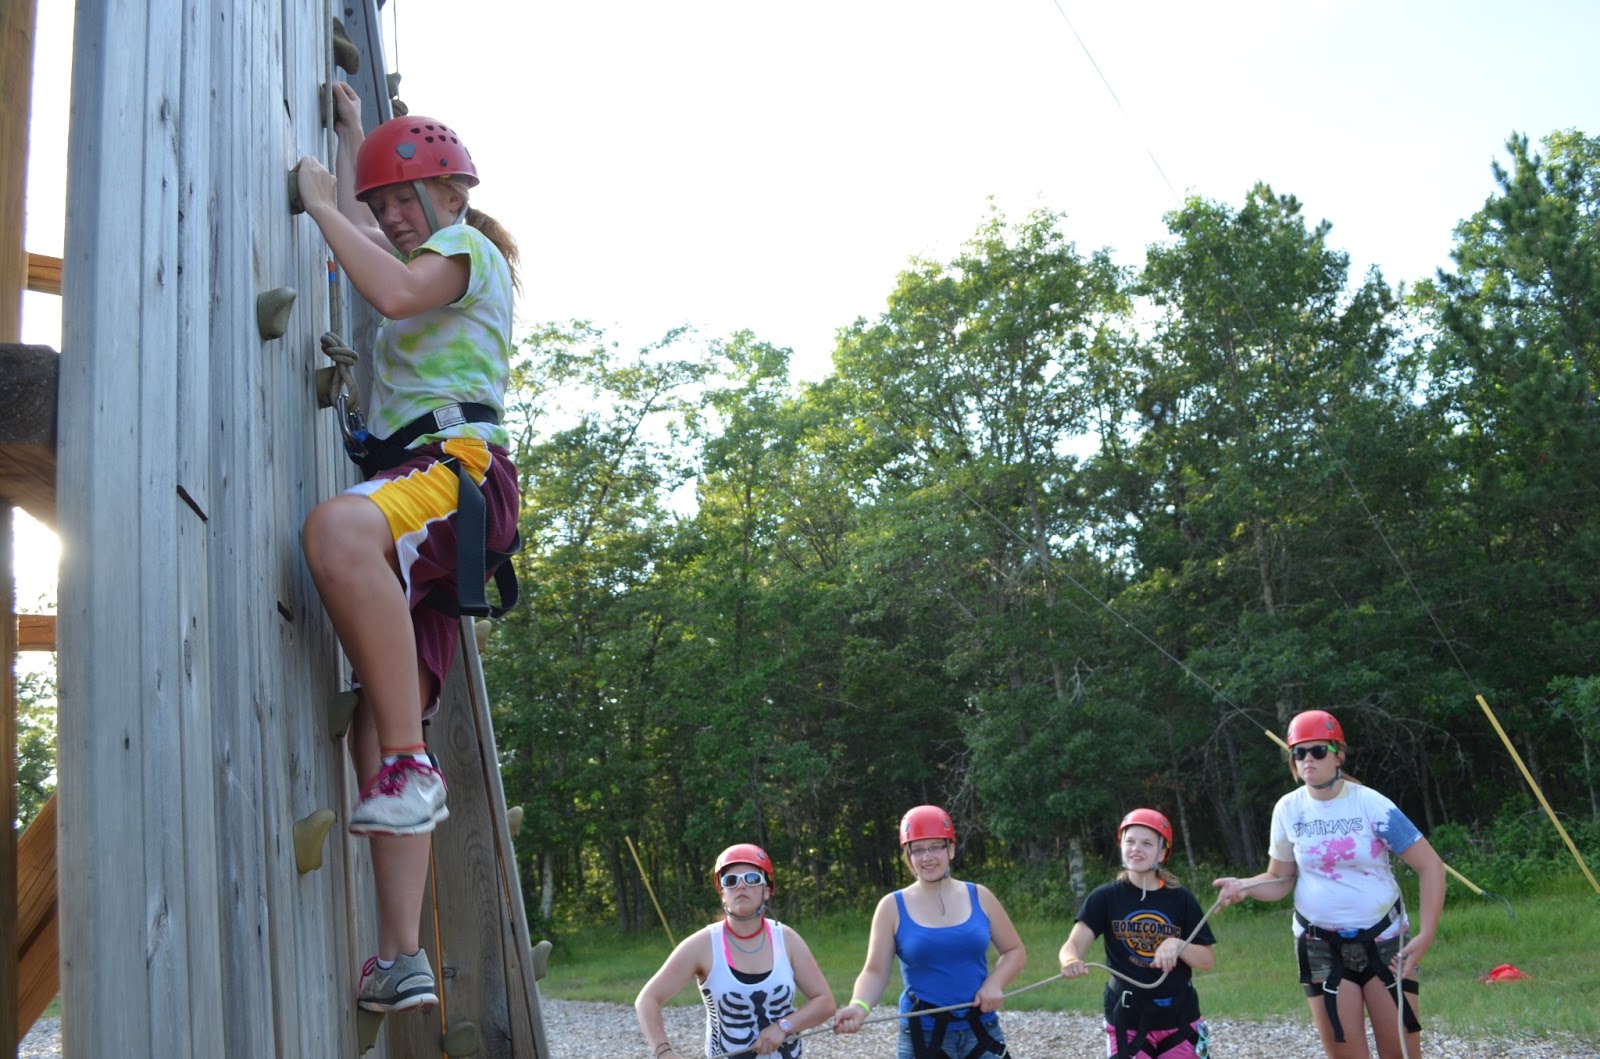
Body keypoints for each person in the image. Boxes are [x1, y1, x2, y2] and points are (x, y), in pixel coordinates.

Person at [295, 84, 522, 1014]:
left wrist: (318, 203)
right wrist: (357, 137)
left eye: (404, 200)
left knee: (340, 527)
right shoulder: (424, 236)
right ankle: (399, 956)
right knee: (387, 708)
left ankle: (406, 767)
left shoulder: (463, 248)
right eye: (377, 202)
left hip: (454, 472)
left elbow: (385, 286)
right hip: (425, 495)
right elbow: (376, 242)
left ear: (454, 193)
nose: (387, 215)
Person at [1213, 710, 1447, 1059]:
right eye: (1298, 752)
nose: (1308, 760)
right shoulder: (1288, 810)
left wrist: (1426, 935)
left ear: (1338, 753)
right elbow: (1280, 879)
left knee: (1401, 1052)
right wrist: (1243, 886)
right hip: (1319, 945)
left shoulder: (1370, 804)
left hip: (1385, 943)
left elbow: (1431, 866)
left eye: (1318, 751)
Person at [832, 805, 1026, 1059]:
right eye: (919, 849)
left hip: (981, 1028)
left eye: (936, 847)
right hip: (922, 1035)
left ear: (951, 849)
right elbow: (875, 971)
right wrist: (859, 1006)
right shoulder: (891, 906)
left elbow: (1014, 951)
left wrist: (994, 984)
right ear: (908, 855)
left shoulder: (980, 896)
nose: (927, 857)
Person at [635, 843, 837, 1059]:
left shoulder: (787, 939)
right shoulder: (702, 945)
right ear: (722, 893)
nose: (741, 886)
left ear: (766, 891)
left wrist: (784, 1026)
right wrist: (663, 1052)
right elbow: (647, 999)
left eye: (752, 879)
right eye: (730, 881)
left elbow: (824, 1001)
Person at [1058, 808, 1216, 1059]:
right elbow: (1072, 945)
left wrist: (1178, 945)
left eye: (1147, 843)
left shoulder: (1181, 899)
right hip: (1127, 1017)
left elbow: (1207, 960)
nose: (1136, 849)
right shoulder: (1105, 897)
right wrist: (1070, 960)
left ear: (1162, 853)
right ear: (1121, 846)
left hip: (1179, 1017)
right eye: (1130, 841)